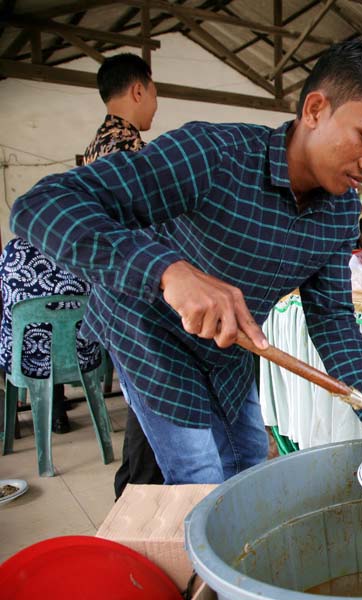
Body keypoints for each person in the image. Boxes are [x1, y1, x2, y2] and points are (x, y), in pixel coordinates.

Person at [11, 38, 362, 484]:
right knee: (200, 476)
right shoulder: (215, 155)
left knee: (248, 466)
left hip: (229, 353)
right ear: (316, 109)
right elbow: (41, 204)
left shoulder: (340, 210)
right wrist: (168, 271)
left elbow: (333, 319)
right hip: (150, 335)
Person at [79, 52, 166, 498]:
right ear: (138, 90)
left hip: (108, 297)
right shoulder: (130, 151)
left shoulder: (96, 147)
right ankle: (133, 517)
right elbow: (147, 234)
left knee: (140, 415)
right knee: (151, 421)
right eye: (154, 93)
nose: (155, 103)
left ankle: (126, 505)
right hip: (135, 301)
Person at [0, 239, 101, 433]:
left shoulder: (14, 251)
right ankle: (58, 412)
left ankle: (22, 423)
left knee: (24, 330)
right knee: (57, 331)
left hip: (26, 361)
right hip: (83, 356)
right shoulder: (84, 248)